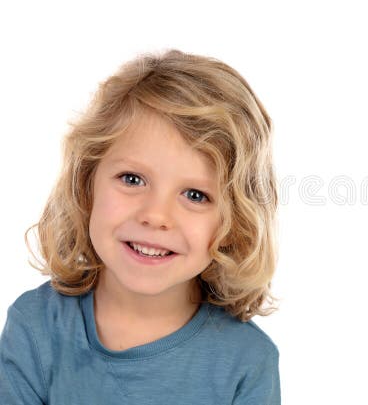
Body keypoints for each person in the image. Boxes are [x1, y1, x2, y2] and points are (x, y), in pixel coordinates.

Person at [0, 50, 281, 404]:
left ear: (234, 223)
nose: (155, 215)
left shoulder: (247, 363)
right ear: (87, 183)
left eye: (195, 195)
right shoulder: (36, 327)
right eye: (132, 179)